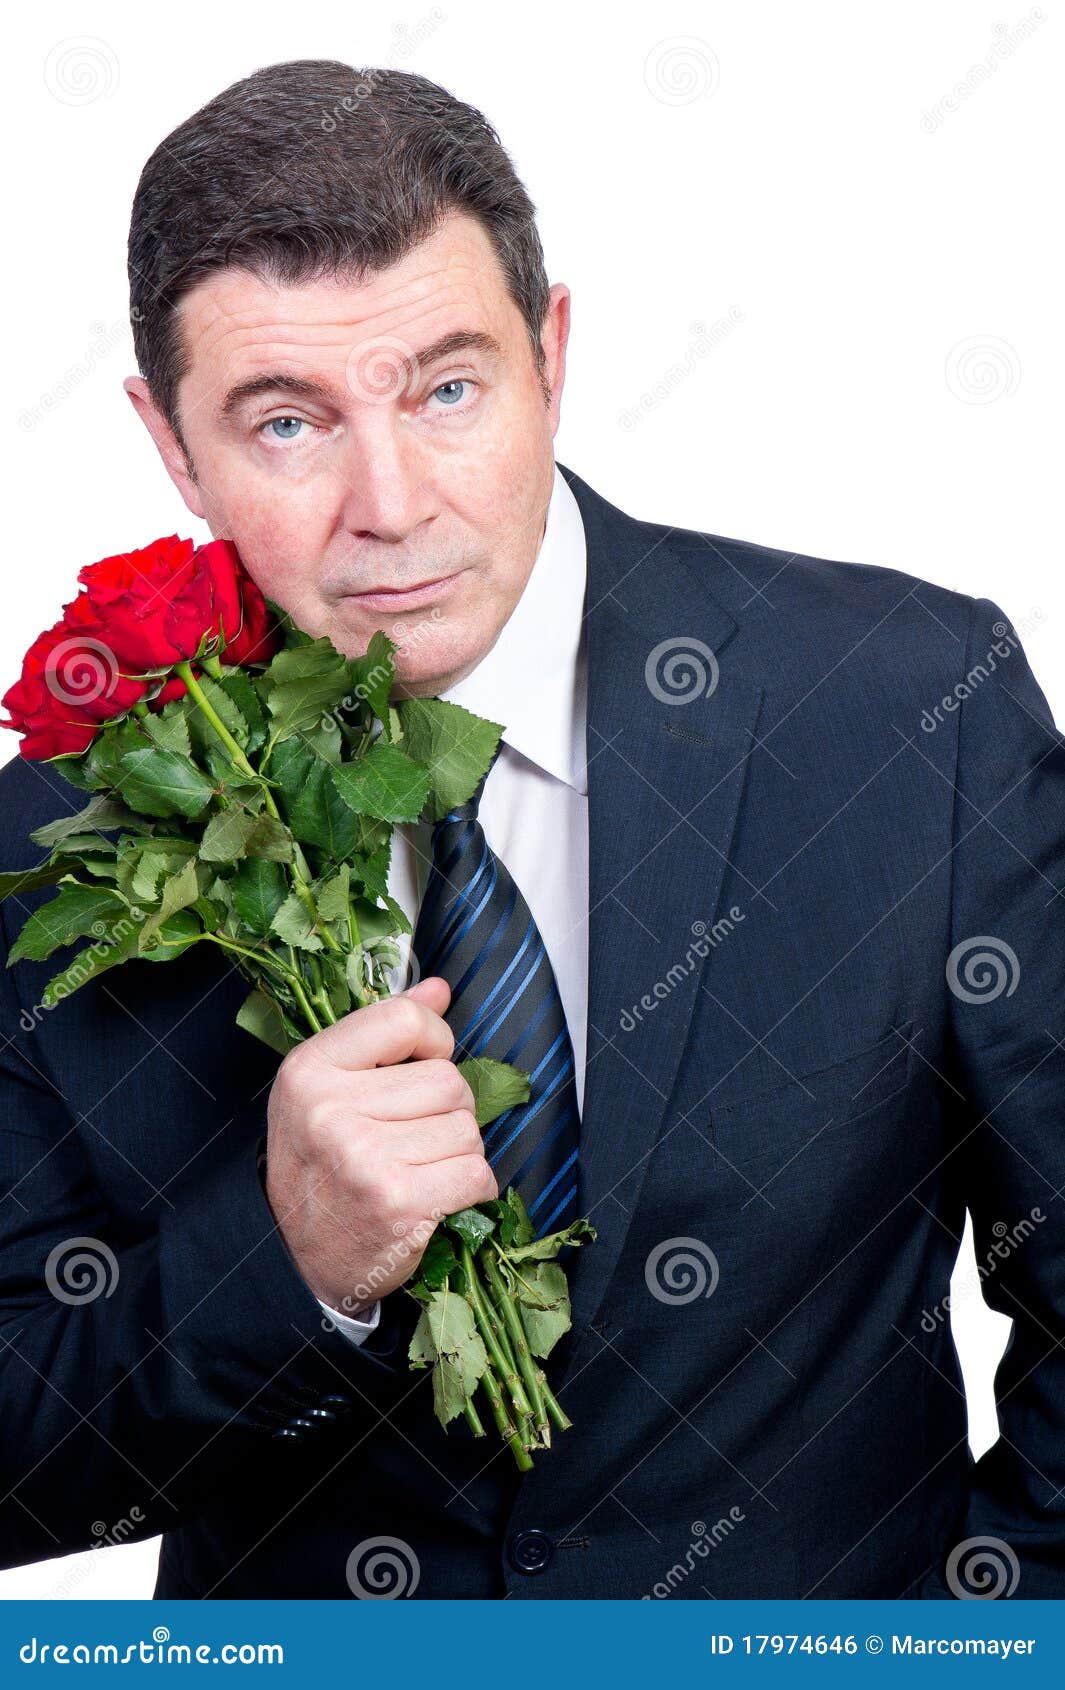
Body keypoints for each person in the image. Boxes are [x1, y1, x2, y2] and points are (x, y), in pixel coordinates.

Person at [0, 60, 1061, 1601]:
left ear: (549, 353)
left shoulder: (908, 710)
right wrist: (282, 1264)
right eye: (287, 420)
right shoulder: (56, 836)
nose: (390, 502)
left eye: (445, 387)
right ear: (172, 444)